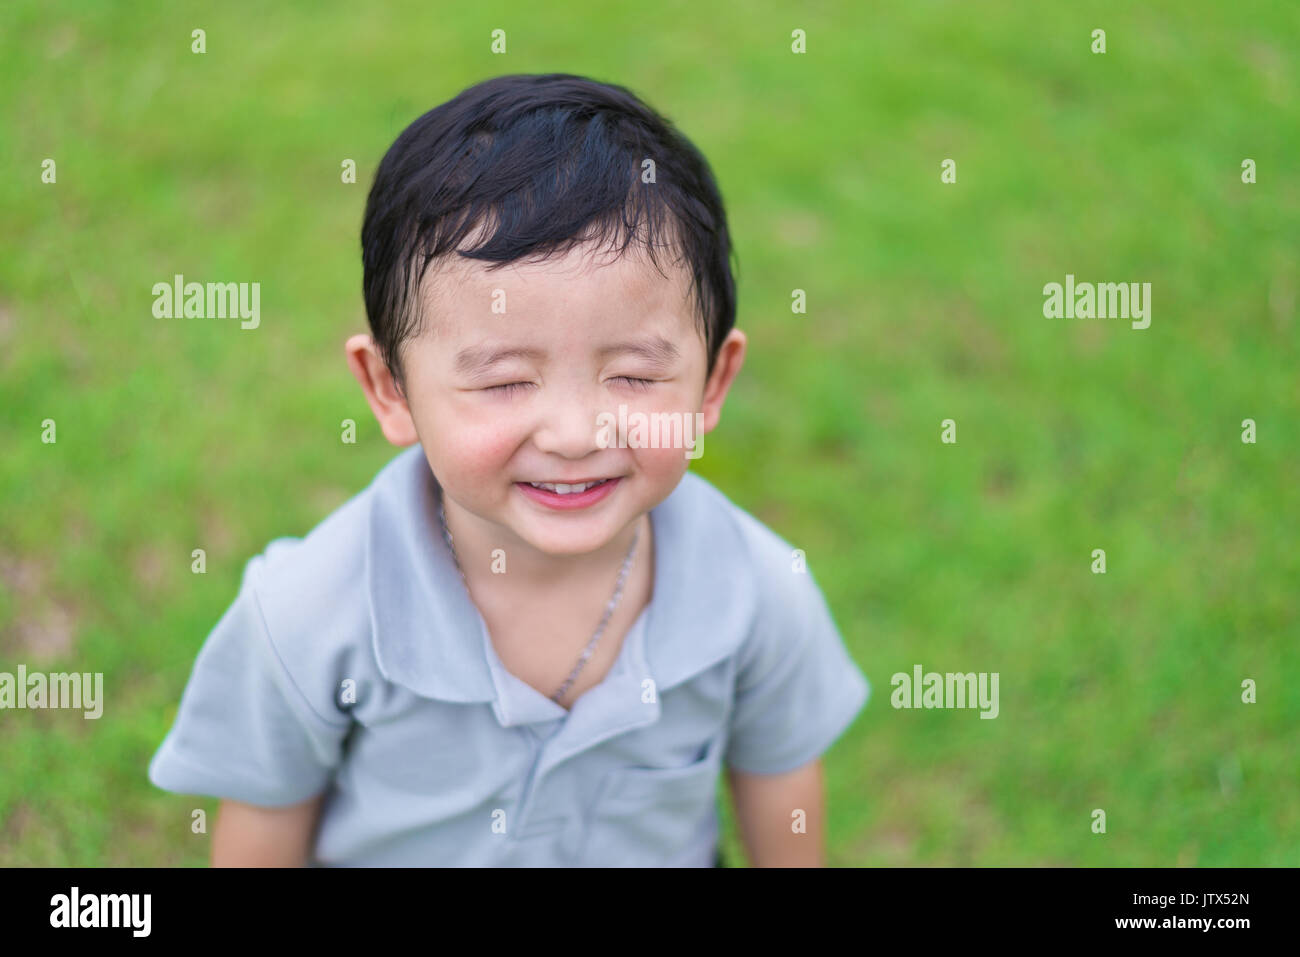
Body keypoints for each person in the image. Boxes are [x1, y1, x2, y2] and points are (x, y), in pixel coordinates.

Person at [148, 73, 870, 867]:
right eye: (503, 382)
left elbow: (782, 786)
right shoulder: (310, 616)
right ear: (391, 389)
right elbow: (263, 825)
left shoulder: (756, 591)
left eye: (632, 373)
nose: (572, 432)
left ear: (712, 386)